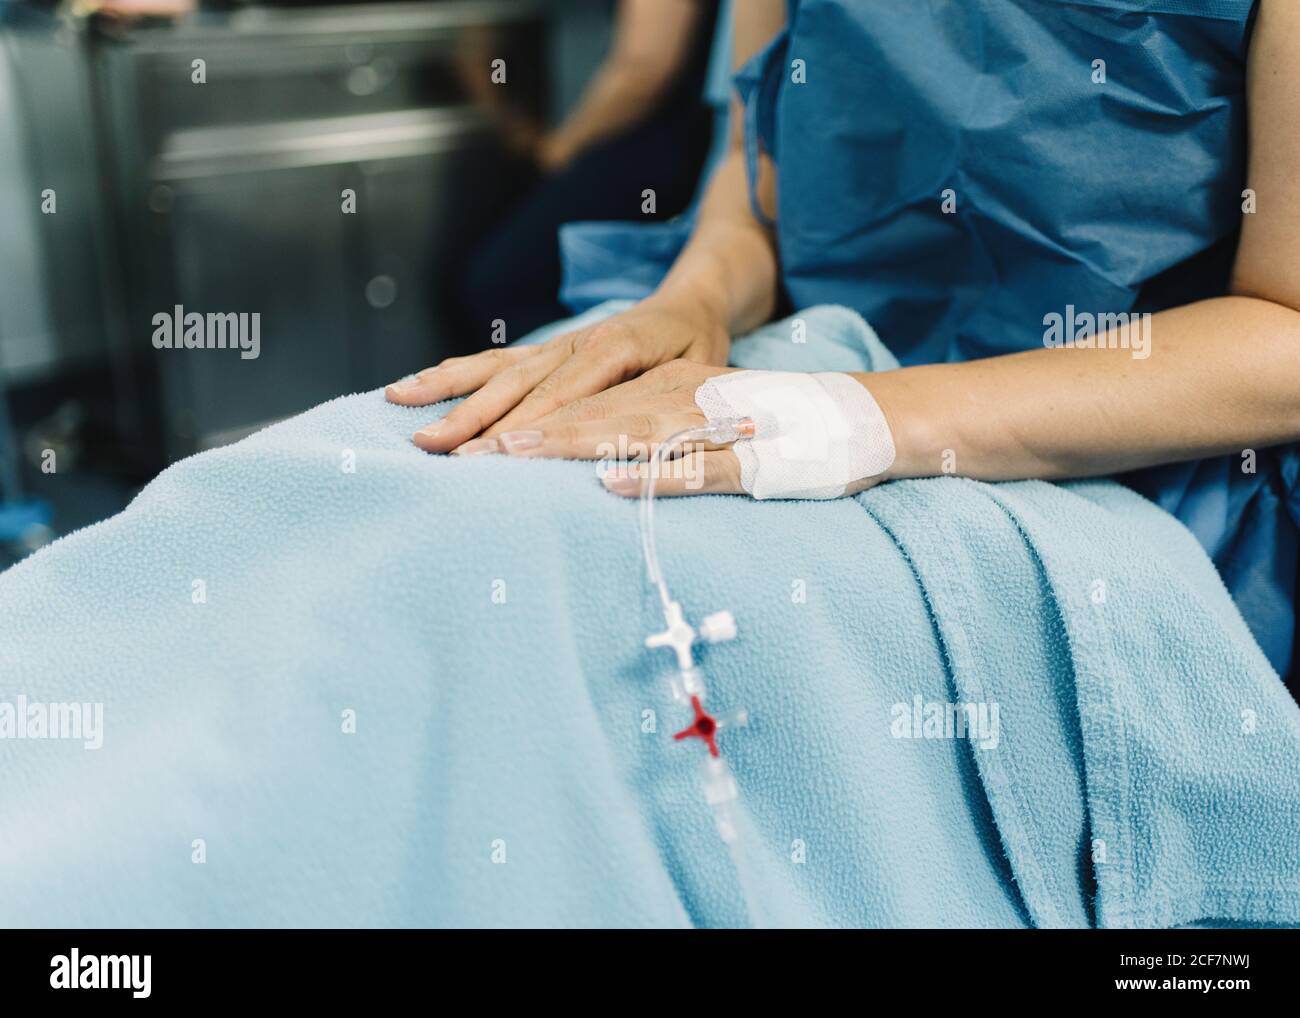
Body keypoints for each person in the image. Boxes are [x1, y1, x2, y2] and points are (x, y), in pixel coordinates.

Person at [390, 0, 1300, 683]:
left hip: (1123, 462)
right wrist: (693, 302)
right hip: (801, 360)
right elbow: (755, 192)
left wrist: (853, 421)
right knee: (426, 509)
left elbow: (1286, 336)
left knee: (573, 620)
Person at [455, 0, 721, 341]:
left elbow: (644, 69)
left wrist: (563, 147)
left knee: (504, 285)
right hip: (626, 145)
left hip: (656, 149)